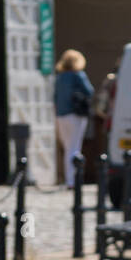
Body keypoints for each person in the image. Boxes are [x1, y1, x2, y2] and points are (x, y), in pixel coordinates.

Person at [53, 50, 93, 187]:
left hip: (61, 115)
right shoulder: (78, 75)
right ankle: (73, 181)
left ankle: (69, 179)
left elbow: (55, 97)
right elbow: (89, 91)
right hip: (75, 114)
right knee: (75, 147)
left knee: (68, 148)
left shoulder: (59, 77)